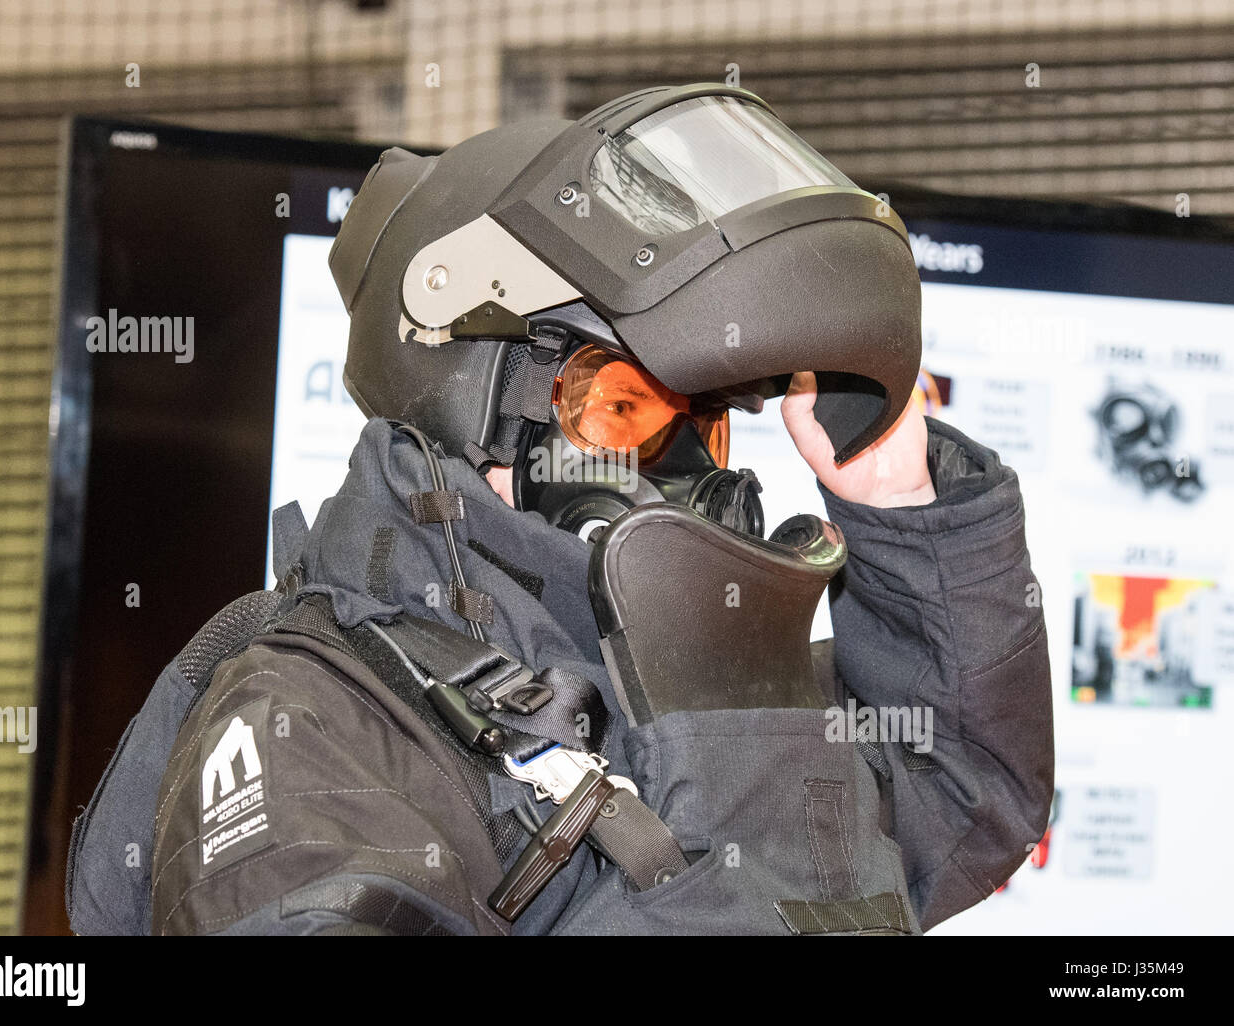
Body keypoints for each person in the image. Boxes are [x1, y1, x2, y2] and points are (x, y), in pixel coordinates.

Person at [67, 85, 1054, 936]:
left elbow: (964, 791)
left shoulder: (657, 677)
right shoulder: (310, 730)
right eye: (622, 408)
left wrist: (897, 501)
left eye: (702, 426)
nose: (677, 473)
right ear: (470, 405)